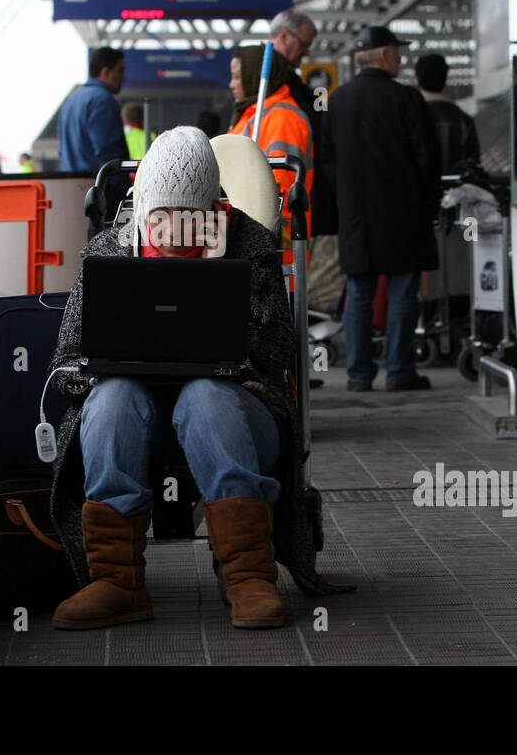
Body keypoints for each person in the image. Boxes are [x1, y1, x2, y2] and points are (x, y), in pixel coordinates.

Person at [45, 126, 337, 631]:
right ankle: (118, 583)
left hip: (235, 410)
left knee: (206, 397)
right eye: (160, 217)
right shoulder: (111, 249)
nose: (172, 231)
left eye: (188, 218)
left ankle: (248, 576)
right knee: (112, 399)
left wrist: (228, 346)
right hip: (138, 415)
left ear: (211, 209)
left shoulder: (250, 243)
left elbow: (280, 354)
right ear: (142, 207)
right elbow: (66, 356)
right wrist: (96, 369)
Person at [326, 26, 441, 392]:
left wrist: (341, 206)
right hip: (403, 215)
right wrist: (429, 204)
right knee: (404, 291)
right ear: (385, 56)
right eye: (397, 52)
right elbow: (427, 158)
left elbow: (325, 162)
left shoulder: (337, 101)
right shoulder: (406, 99)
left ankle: (359, 375)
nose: (400, 58)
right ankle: (399, 370)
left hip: (357, 217)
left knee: (359, 292)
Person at [228, 44, 313, 235]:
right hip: (253, 237)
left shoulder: (283, 118)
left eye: (237, 77)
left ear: (254, 77)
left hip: (278, 247)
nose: (231, 84)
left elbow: (280, 187)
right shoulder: (251, 116)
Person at [270, 9, 336, 236]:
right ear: (285, 36)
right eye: (304, 44)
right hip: (283, 204)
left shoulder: (297, 87)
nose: (306, 52)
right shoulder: (267, 86)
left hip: (299, 200)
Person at [59, 47, 127, 172]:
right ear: (106, 72)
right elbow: (109, 156)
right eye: (120, 71)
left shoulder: (70, 101)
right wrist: (121, 187)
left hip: (72, 185)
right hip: (98, 186)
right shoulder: (103, 101)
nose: (124, 78)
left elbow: (63, 152)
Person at [415, 53, 479, 175]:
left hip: (416, 192)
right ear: (445, 79)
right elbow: (472, 162)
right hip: (454, 191)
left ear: (417, 79)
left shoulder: (408, 116)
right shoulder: (463, 119)